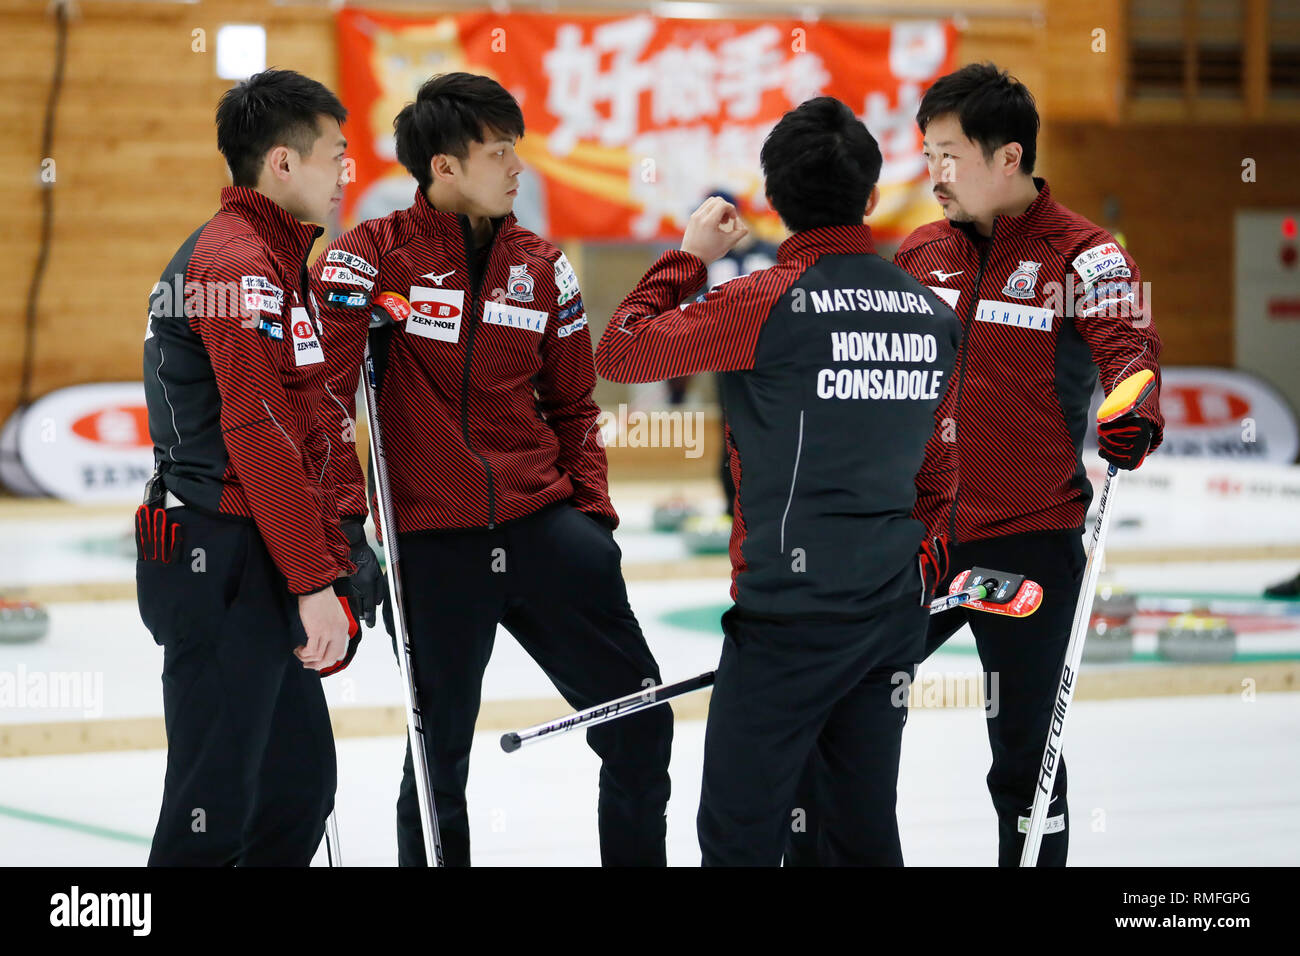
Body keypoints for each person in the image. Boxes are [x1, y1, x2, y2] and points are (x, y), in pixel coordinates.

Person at [312, 73, 672, 867]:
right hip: (433, 543)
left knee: (642, 723)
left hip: (545, 527)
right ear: (443, 167)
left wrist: (595, 522)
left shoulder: (544, 267)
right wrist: (344, 526)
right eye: (499, 151)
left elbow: (576, 407)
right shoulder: (366, 257)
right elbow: (325, 402)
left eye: (518, 148)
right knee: (437, 758)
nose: (519, 167)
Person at [595, 96, 958, 866]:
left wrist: (687, 257)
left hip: (785, 622)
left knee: (741, 833)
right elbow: (940, 469)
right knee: (858, 831)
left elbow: (621, 353)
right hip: (889, 614)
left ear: (774, 199)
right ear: (869, 196)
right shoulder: (930, 314)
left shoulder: (759, 301)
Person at [892, 63, 1164, 865]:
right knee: (854, 714)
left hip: (1030, 539)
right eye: (927, 154)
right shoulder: (917, 254)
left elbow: (1131, 349)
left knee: (1025, 762)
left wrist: (1134, 409)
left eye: (949, 155)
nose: (933, 174)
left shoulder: (1085, 255)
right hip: (920, 538)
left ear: (1007, 157)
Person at [138, 69, 378, 866]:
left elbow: (312, 420)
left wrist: (343, 545)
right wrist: (313, 582)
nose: (348, 174)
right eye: (337, 156)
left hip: (262, 545)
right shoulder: (232, 266)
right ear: (283, 162)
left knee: (297, 791)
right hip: (217, 548)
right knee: (214, 806)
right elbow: (257, 430)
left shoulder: (279, 260)